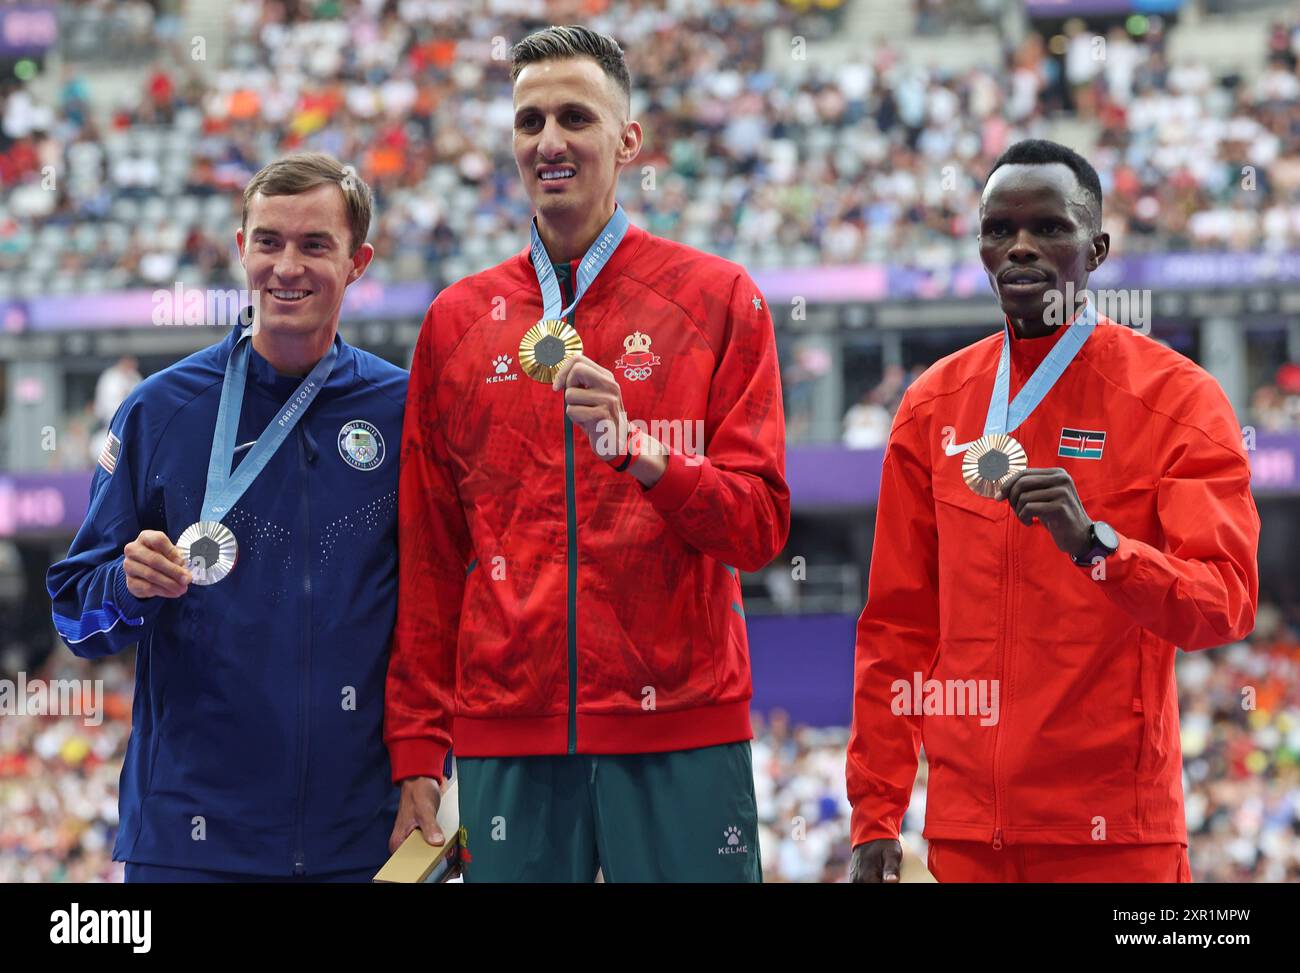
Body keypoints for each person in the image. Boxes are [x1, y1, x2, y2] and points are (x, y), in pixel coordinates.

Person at [385, 25, 789, 882]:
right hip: (507, 732)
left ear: (628, 140)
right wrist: (418, 745)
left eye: (575, 116)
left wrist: (645, 455)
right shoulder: (456, 323)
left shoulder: (719, 299)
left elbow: (757, 527)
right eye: (529, 121)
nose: (550, 141)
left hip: (681, 727)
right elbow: (428, 553)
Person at [847, 139, 1259, 883]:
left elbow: (1225, 602)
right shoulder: (931, 406)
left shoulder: (1178, 399)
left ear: (1097, 248)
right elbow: (898, 627)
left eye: (1050, 228)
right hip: (968, 837)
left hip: (1116, 841)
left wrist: (1101, 547)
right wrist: (876, 810)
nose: (1021, 248)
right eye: (999, 229)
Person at [47, 152, 407, 882]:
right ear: (241, 248)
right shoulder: (159, 411)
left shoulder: (402, 411)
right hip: (189, 844)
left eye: (315, 245)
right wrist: (126, 583)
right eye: (268, 240)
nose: (287, 266)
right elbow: (73, 614)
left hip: (360, 841)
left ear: (358, 261)